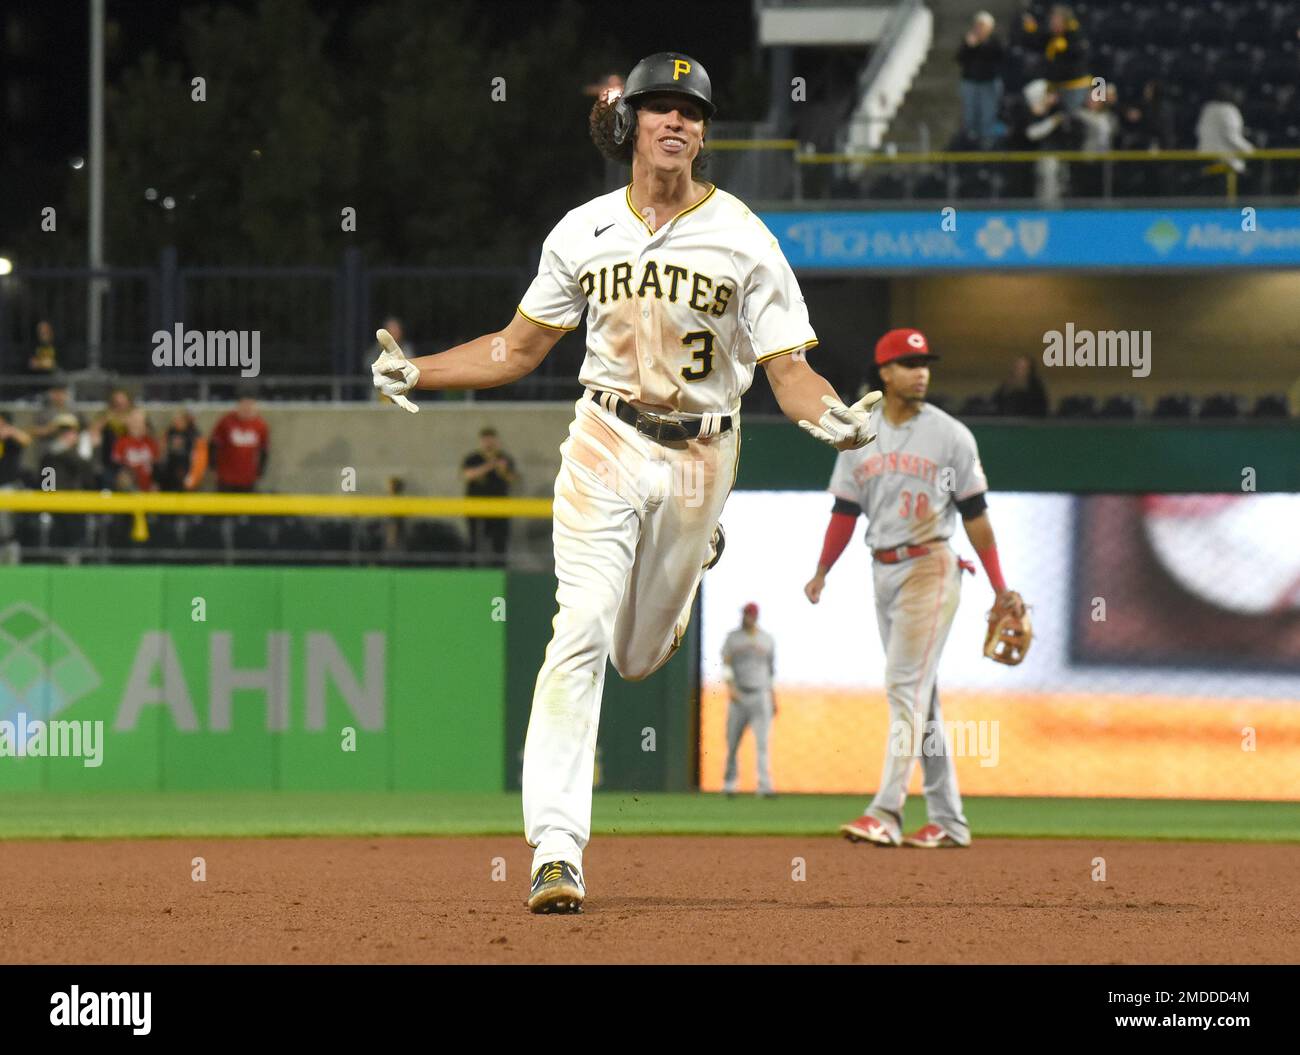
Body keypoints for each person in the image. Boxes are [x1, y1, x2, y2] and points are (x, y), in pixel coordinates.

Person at [371, 51, 880, 914]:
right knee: (578, 631)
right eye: (660, 108)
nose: (677, 121)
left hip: (700, 457)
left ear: (704, 134)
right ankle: (556, 848)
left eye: (692, 111)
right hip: (604, 438)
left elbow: (790, 368)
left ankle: (689, 563)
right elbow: (516, 348)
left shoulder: (745, 235)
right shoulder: (583, 230)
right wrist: (421, 370)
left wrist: (825, 410)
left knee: (637, 657)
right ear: (631, 125)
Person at [803, 328, 1026, 850]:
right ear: (884, 372)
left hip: (931, 565)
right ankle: (949, 820)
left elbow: (976, 515)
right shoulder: (859, 433)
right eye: (907, 362)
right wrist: (821, 570)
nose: (920, 371)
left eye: (925, 362)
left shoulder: (951, 436)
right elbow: (845, 511)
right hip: (882, 570)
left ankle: (886, 810)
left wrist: (1000, 588)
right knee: (920, 697)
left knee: (904, 686)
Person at [720, 602, 777, 798]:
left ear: (756, 616)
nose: (747, 617)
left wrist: (773, 697)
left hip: (761, 695)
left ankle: (764, 786)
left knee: (762, 743)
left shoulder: (767, 639)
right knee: (733, 742)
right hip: (739, 695)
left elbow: (771, 671)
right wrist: (730, 687)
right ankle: (729, 784)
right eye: (745, 614)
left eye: (750, 614)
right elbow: (726, 664)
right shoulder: (732, 638)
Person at [460, 426, 518, 567]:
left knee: (499, 541)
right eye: (486, 440)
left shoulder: (504, 458)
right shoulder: (473, 458)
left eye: (491, 440)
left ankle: (498, 570)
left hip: (499, 507)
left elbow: (512, 479)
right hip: (475, 506)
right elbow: (467, 475)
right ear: (481, 441)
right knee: (474, 539)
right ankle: (472, 569)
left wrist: (502, 470)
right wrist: (489, 466)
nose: (489, 444)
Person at [1021, 4, 1091, 112]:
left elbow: (1081, 54)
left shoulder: (1075, 34)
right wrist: (1031, 30)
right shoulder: (1052, 35)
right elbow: (1035, 43)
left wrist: (1068, 47)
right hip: (1056, 84)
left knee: (1073, 116)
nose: (1053, 23)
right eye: (1052, 20)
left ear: (1066, 21)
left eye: (1057, 20)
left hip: (1074, 85)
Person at [956, 12, 1004, 149]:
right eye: (977, 25)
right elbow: (960, 59)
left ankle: (987, 144)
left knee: (988, 115)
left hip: (988, 83)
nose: (979, 29)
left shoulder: (994, 42)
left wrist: (980, 45)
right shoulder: (968, 41)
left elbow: (997, 57)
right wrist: (969, 46)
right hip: (970, 82)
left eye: (983, 26)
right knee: (970, 114)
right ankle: (970, 141)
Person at [208, 397, 269, 492]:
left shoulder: (260, 425)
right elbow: (214, 445)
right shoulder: (226, 422)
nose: (247, 409)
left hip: (248, 478)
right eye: (244, 406)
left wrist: (260, 471)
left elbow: (264, 450)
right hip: (226, 477)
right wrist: (212, 466)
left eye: (250, 406)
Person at [1197, 83, 1254, 176]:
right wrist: (1250, 150)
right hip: (1223, 161)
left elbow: (1198, 130)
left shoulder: (1207, 108)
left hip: (1204, 156)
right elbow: (1231, 136)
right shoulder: (1229, 110)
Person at [156, 409, 208, 492]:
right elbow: (161, 454)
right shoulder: (169, 433)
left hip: (186, 479)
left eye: (180, 418)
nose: (176, 421)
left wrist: (192, 479)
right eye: (175, 418)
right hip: (168, 479)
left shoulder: (195, 436)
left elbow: (200, 460)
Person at [92, 388, 133, 488]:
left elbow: (144, 434)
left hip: (130, 460)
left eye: (122, 402)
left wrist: (130, 423)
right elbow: (93, 432)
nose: (119, 405)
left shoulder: (134, 416)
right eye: (116, 403)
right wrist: (106, 419)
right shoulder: (104, 415)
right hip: (108, 461)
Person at [112, 409, 160, 492]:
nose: (136, 425)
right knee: (124, 478)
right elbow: (116, 466)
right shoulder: (121, 442)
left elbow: (157, 464)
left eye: (139, 422)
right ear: (128, 423)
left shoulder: (151, 443)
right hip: (130, 489)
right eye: (134, 421)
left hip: (149, 486)